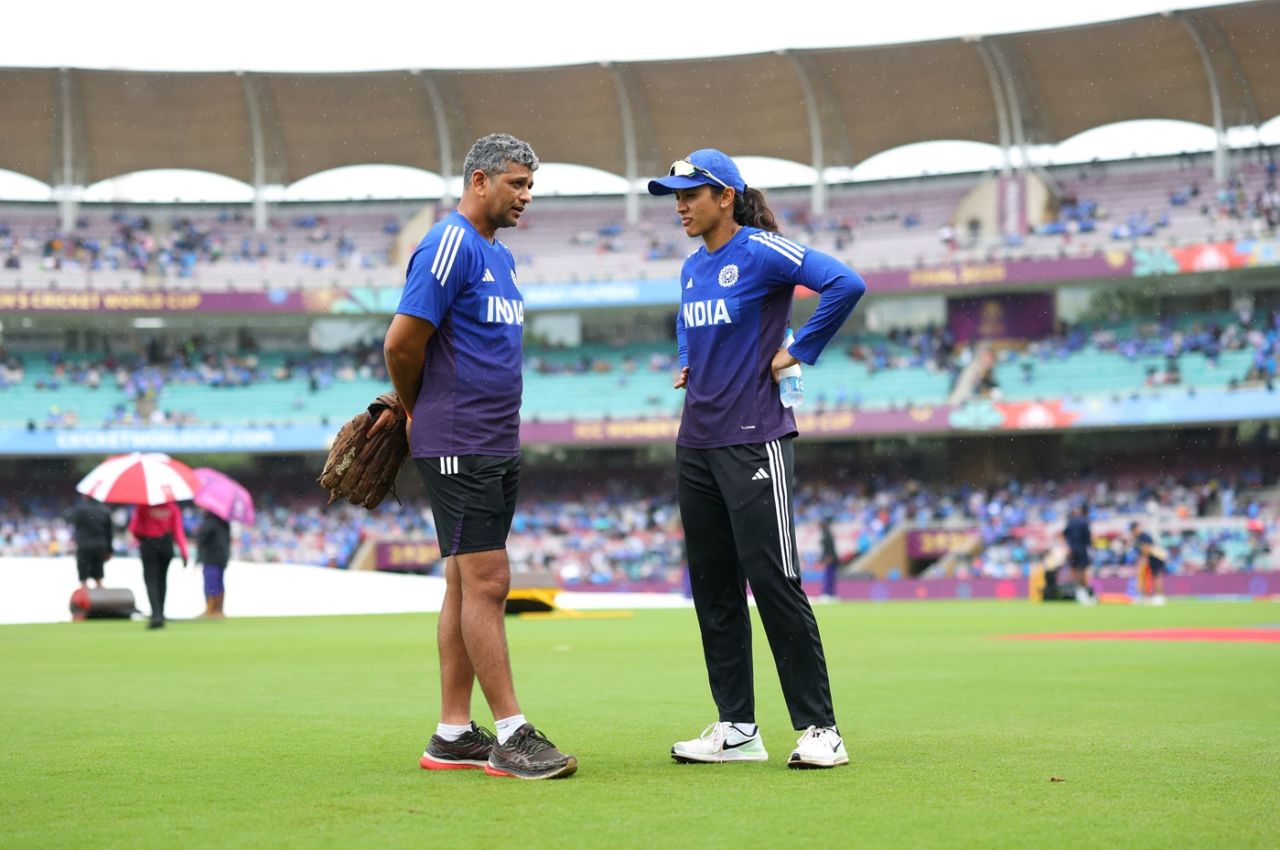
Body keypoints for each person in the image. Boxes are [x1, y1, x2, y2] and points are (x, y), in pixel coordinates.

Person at [648, 149, 866, 769]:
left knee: (773, 581)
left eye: (690, 194)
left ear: (725, 196)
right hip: (697, 443)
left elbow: (845, 283)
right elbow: (693, 326)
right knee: (713, 590)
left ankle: (822, 730)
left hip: (754, 438)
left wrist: (797, 350)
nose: (681, 205)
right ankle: (738, 729)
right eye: (675, 196)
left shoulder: (765, 250)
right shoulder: (692, 268)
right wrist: (689, 357)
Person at [373, 133, 576, 780]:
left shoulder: (499, 255)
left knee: (465, 583)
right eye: (517, 184)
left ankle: (453, 732)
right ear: (480, 181)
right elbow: (402, 344)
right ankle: (513, 734)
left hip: (492, 440)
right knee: (489, 582)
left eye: (530, 186)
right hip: (459, 440)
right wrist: (413, 412)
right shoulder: (450, 242)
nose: (526, 197)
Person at [129, 501, 188, 630]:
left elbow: (134, 529)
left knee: (151, 580)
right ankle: (161, 612)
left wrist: (143, 535)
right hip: (166, 544)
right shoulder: (172, 508)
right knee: (162, 579)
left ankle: (156, 615)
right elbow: (178, 531)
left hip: (149, 544)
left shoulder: (143, 507)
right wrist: (184, 552)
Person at [68, 495, 114, 589]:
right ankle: (99, 586)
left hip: (84, 544)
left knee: (83, 568)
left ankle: (84, 587)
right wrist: (110, 550)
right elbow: (109, 533)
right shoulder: (105, 510)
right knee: (98, 568)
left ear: (86, 497)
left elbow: (73, 524)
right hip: (100, 545)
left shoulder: (80, 510)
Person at [195, 510, 231, 618]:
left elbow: (201, 539)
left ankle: (211, 610)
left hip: (211, 557)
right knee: (219, 582)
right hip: (222, 556)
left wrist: (199, 531)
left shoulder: (209, 522)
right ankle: (219, 609)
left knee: (211, 582)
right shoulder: (224, 522)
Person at [1062, 504, 1096, 605]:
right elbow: (1088, 538)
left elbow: (1064, 534)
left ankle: (1078, 593)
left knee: (1074, 571)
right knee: (1083, 571)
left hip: (1072, 550)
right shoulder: (1084, 522)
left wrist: (1068, 546)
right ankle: (1085, 594)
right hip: (1081, 550)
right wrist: (1091, 547)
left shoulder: (1071, 522)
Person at [1131, 521, 1167, 606]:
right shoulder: (1138, 537)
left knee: (1156, 576)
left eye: (1133, 530)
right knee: (1144, 576)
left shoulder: (1143, 536)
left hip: (1155, 557)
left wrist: (1143, 559)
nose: (1133, 532)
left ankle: (1159, 597)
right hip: (1150, 557)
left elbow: (1147, 548)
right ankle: (1143, 596)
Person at [819, 516, 839, 602]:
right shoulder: (825, 533)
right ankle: (829, 593)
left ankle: (829, 594)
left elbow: (829, 547)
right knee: (829, 576)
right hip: (831, 557)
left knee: (829, 576)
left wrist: (828, 557)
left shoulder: (827, 534)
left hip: (830, 558)